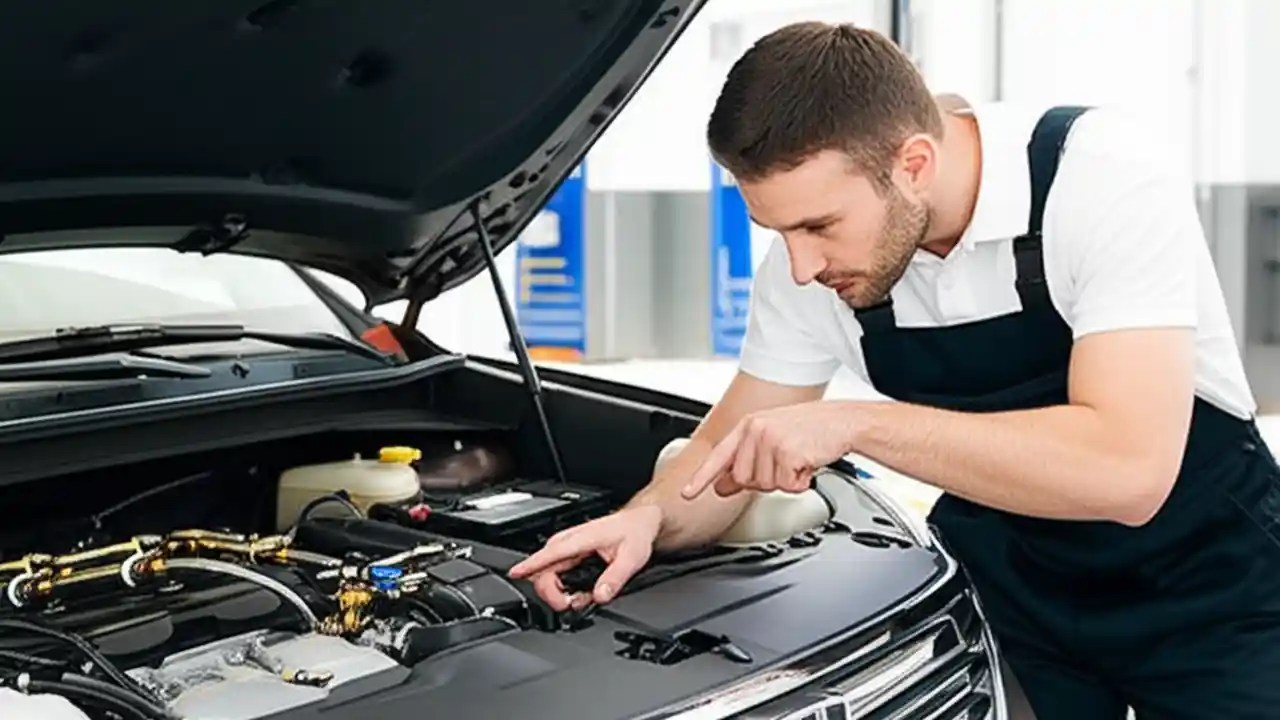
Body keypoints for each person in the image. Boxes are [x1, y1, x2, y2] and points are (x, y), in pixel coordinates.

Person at [508, 20, 1280, 719]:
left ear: (913, 164)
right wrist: (650, 521)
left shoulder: (1099, 177)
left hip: (1211, 591)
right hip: (1019, 591)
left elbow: (1128, 474)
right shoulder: (814, 265)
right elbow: (728, 450)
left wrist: (856, 422)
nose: (801, 266)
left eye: (819, 226)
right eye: (778, 230)